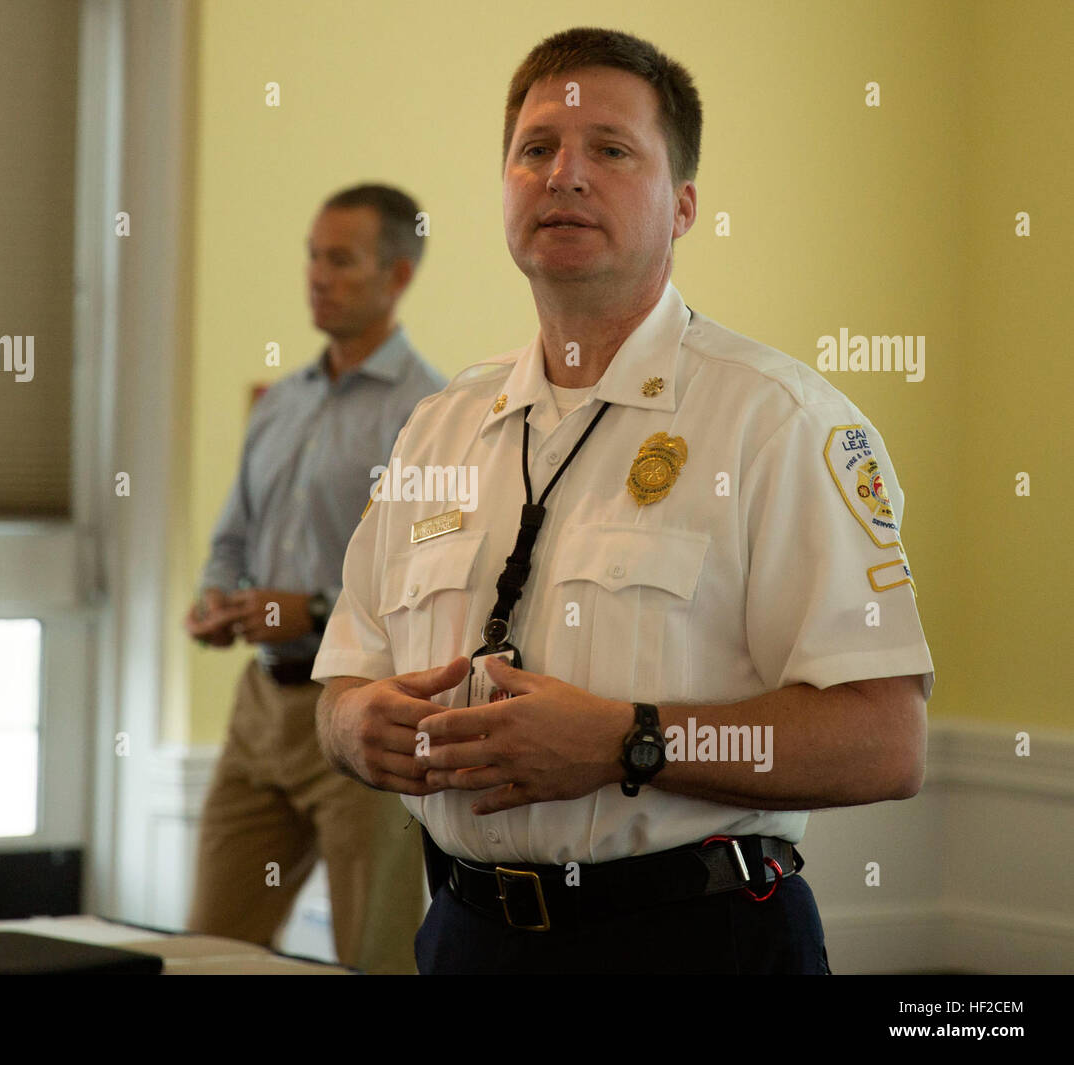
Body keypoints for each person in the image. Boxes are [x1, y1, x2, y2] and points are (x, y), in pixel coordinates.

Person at [312, 29, 933, 974]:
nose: (564, 175)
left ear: (682, 206)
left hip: (695, 940)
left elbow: (886, 742)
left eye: (610, 149)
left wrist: (628, 743)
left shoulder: (780, 422)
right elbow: (344, 684)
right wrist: (355, 730)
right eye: (536, 148)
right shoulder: (436, 429)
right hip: (465, 937)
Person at [184, 184, 446, 974]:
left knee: (375, 954)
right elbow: (231, 537)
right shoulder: (280, 403)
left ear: (398, 276)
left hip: (363, 708)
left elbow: (426, 580)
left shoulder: (429, 414)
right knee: (209, 948)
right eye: (312, 256)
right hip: (260, 707)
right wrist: (214, 598)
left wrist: (316, 607)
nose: (317, 276)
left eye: (340, 260)